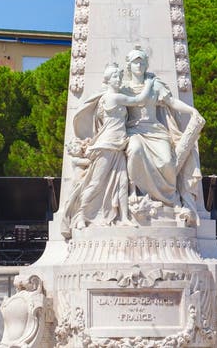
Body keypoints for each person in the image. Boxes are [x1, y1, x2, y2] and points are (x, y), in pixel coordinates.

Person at [61, 63, 153, 237]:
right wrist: (148, 83)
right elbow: (139, 100)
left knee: (122, 182)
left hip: (118, 145)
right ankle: (80, 216)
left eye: (119, 76)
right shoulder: (112, 98)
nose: (119, 79)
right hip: (106, 145)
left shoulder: (110, 97)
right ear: (108, 80)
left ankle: (124, 217)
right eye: (115, 77)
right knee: (95, 183)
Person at [123, 47, 203, 217]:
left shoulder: (155, 85)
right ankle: (135, 194)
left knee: (167, 161)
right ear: (129, 65)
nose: (139, 65)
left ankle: (168, 199)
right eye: (135, 62)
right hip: (134, 131)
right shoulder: (125, 88)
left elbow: (172, 102)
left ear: (146, 65)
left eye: (142, 61)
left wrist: (191, 111)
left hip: (155, 130)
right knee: (135, 150)